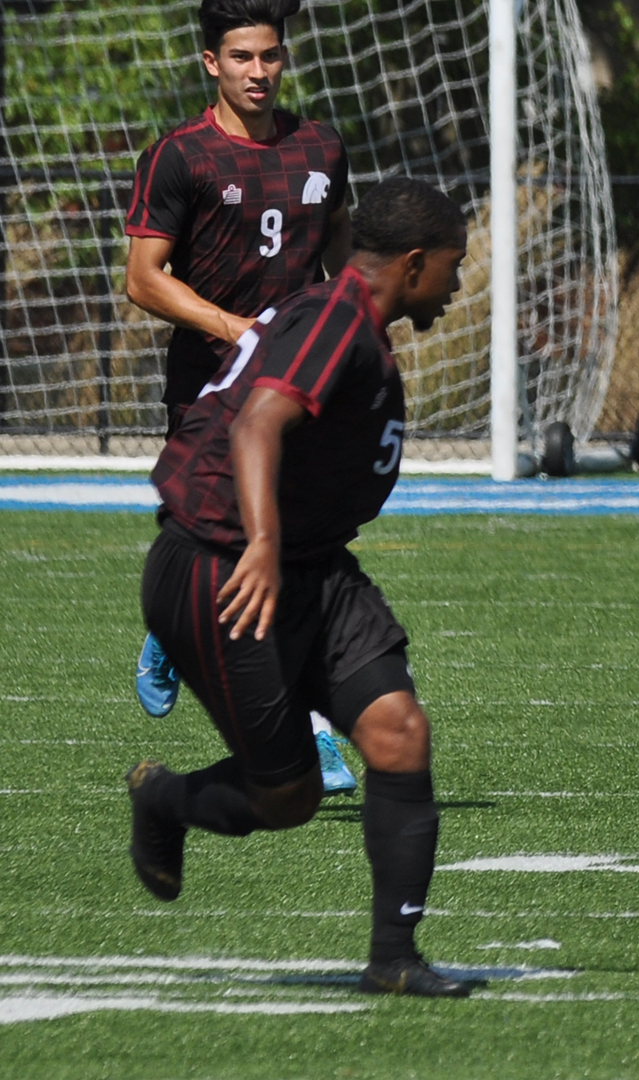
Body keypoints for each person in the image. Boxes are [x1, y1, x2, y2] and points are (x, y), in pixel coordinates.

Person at [126, 176, 475, 997]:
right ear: (414, 263)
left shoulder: (354, 325)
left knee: (399, 734)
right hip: (223, 565)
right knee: (287, 797)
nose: (459, 283)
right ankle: (165, 801)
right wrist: (265, 544)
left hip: (312, 567)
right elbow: (258, 421)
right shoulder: (334, 316)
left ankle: (394, 959)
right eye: (454, 266)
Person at [124, 0, 357, 798]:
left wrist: (352, 332)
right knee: (225, 544)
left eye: (271, 56)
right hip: (207, 389)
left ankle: (314, 730)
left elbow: (343, 255)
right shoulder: (178, 156)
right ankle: (168, 631)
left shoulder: (321, 144)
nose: (259, 72)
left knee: (292, 548)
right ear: (210, 64)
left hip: (295, 387)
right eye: (242, 58)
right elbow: (144, 278)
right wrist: (234, 328)